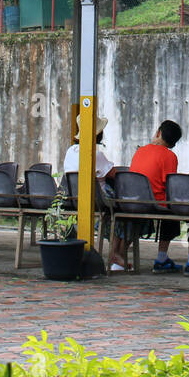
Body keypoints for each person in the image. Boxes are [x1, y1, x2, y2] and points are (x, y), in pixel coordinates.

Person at [129, 120, 189, 275]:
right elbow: (170, 185)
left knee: (169, 215)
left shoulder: (140, 151)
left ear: (158, 132)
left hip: (135, 201)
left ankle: (162, 259)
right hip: (157, 203)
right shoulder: (170, 156)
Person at [62, 115, 123, 271]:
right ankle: (115, 254)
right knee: (121, 212)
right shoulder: (96, 154)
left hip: (73, 198)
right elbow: (114, 174)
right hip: (97, 200)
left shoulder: (70, 151)